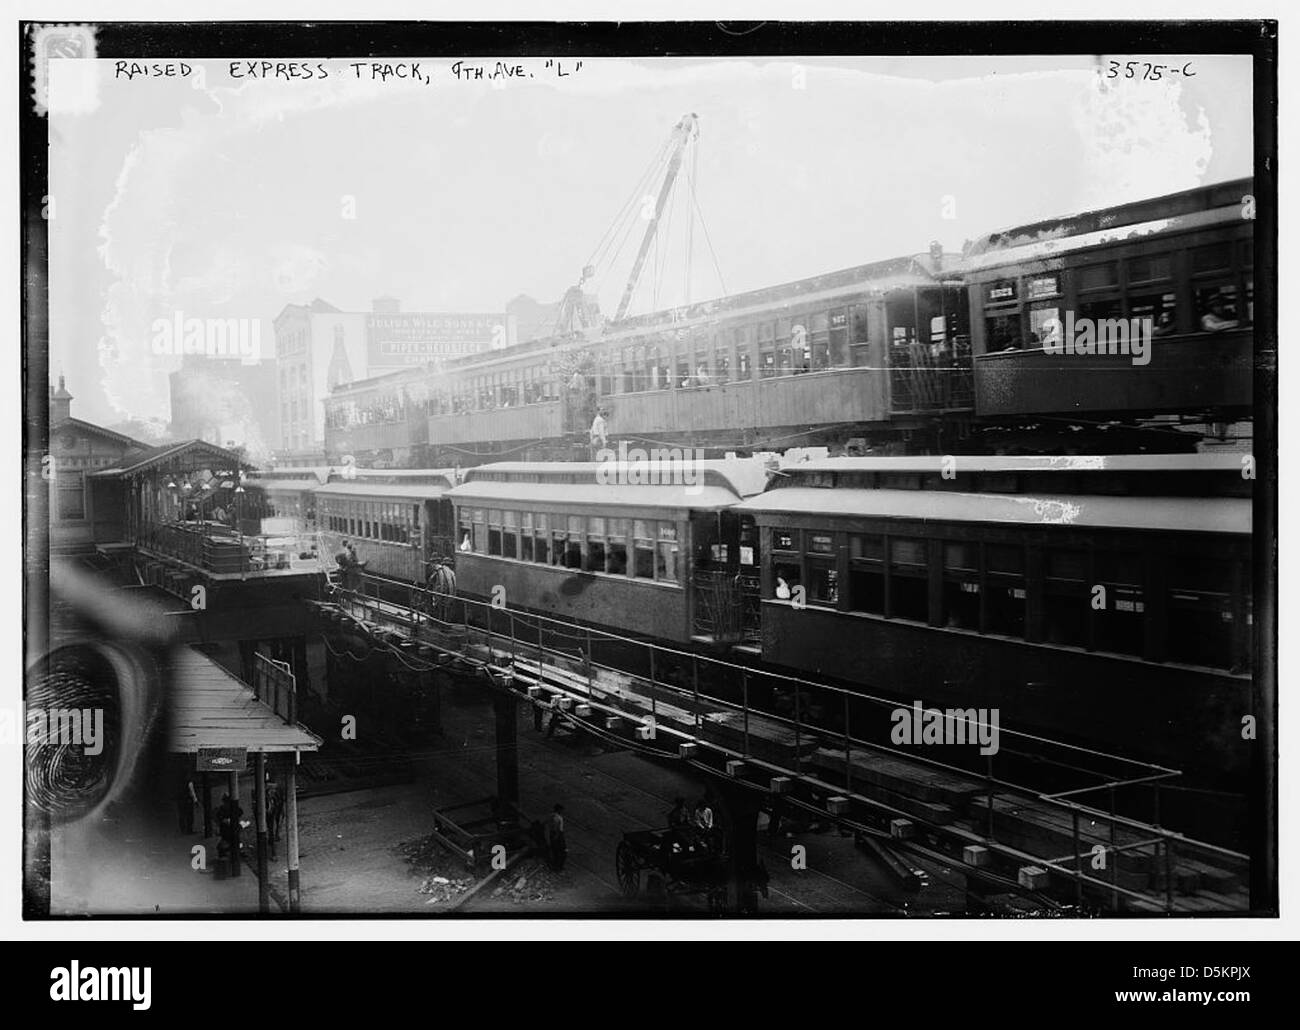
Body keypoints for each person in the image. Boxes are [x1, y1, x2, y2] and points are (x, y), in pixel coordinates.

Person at [545, 804, 567, 872]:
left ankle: (555, 865)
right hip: (558, 835)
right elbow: (558, 829)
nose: (562, 811)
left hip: (551, 834)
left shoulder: (550, 816)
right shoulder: (558, 817)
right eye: (561, 810)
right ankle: (559, 867)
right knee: (563, 851)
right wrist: (557, 836)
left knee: (555, 851)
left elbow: (546, 824)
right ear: (559, 810)